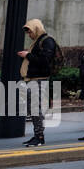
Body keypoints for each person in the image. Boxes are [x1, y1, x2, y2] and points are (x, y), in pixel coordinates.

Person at [18, 19, 60, 147]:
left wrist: (27, 55)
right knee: (33, 109)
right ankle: (37, 135)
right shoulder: (38, 42)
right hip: (32, 79)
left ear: (36, 28)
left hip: (38, 80)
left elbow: (45, 60)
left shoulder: (47, 41)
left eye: (30, 32)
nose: (29, 35)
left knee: (36, 109)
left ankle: (39, 137)